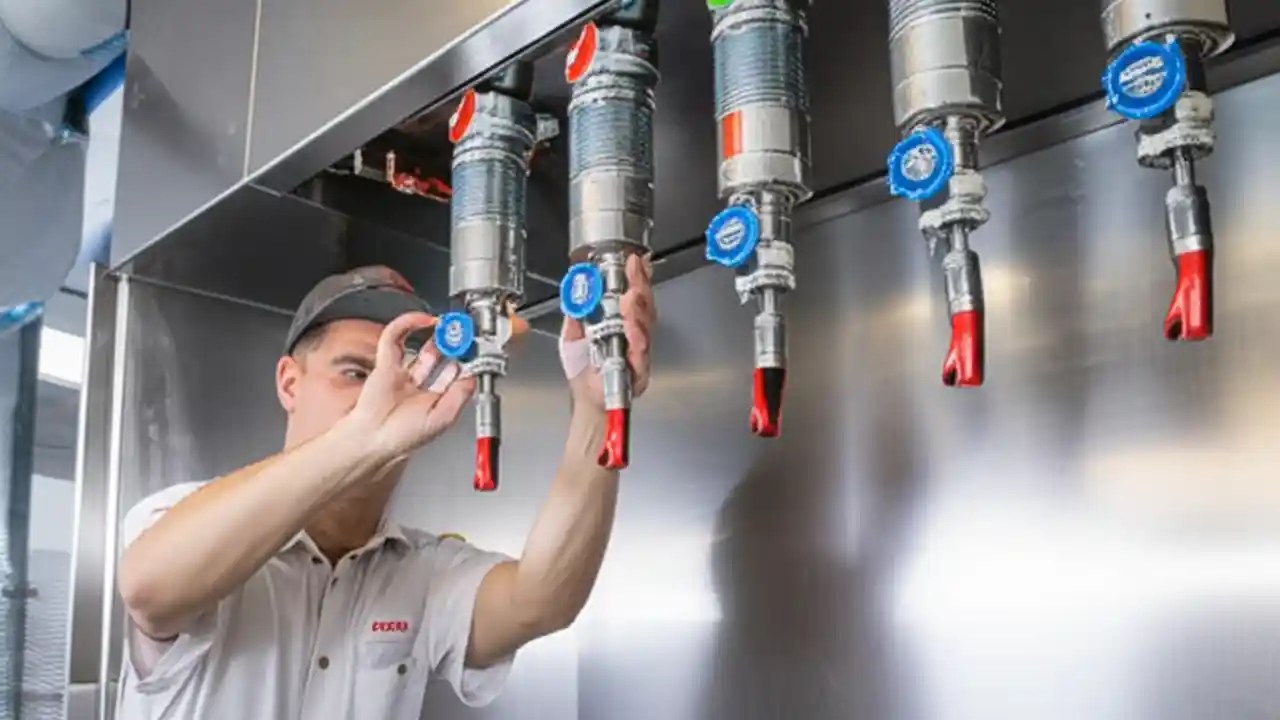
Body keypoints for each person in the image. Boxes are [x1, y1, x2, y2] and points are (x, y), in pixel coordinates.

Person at [114, 261, 656, 719]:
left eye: (400, 379)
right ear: (289, 382)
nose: (380, 397)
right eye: (355, 373)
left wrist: (594, 406)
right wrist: (361, 439)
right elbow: (149, 588)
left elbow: (541, 601)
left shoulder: (422, 571)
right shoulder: (186, 519)